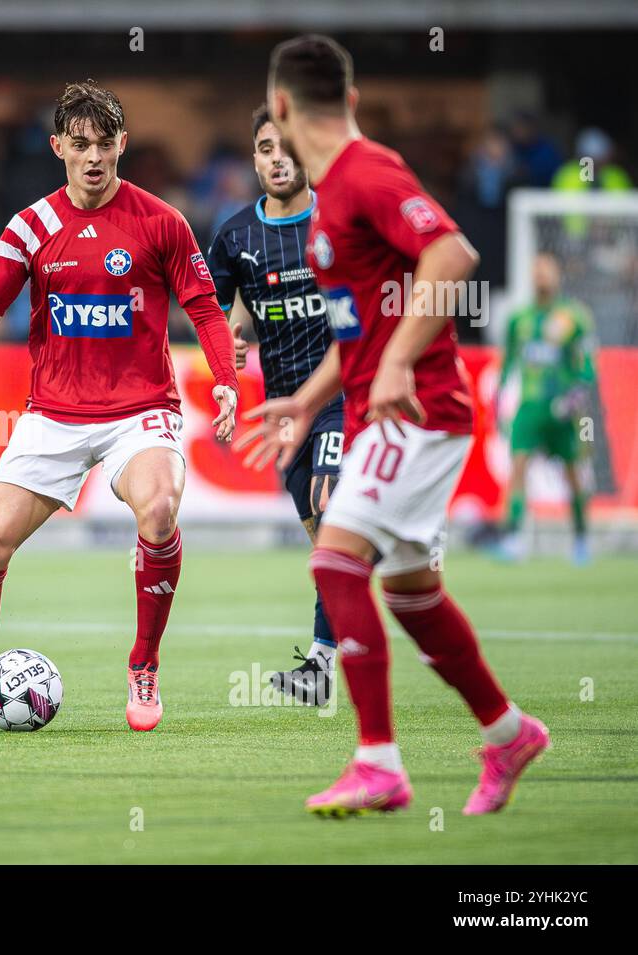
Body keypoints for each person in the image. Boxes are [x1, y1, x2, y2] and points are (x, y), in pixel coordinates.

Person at [237, 36, 549, 816]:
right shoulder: (332, 193)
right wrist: (308, 401)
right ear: (347, 94)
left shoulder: (368, 173)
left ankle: (377, 761)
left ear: (281, 105)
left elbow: (451, 253)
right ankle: (508, 732)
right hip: (387, 406)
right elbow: (365, 331)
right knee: (412, 593)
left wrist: (405, 360)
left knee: (335, 562)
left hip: (418, 409)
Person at [0, 80, 239, 733]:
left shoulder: (162, 221)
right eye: (80, 145)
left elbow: (205, 307)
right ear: (58, 148)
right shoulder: (32, 226)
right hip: (54, 414)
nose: (94, 157)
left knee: (159, 508)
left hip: (140, 409)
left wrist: (225, 380)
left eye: (105, 144)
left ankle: (144, 663)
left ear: (123, 144)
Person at [207, 103, 341, 706]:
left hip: (343, 396)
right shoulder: (236, 237)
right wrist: (228, 372)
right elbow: (221, 320)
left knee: (328, 505)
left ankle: (325, 665)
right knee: (325, 537)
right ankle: (331, 662)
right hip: (284, 412)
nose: (278, 158)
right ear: (254, 158)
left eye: (287, 147)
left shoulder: (339, 222)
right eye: (265, 149)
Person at [498, 252, 596, 564]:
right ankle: (514, 538)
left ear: (557, 276)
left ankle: (581, 539)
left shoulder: (574, 317)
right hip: (529, 408)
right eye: (536, 271)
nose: (541, 277)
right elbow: (508, 363)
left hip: (562, 412)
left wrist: (574, 398)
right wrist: (501, 399)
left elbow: (588, 367)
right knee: (518, 468)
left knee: (573, 473)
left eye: (547, 271)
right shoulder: (519, 319)